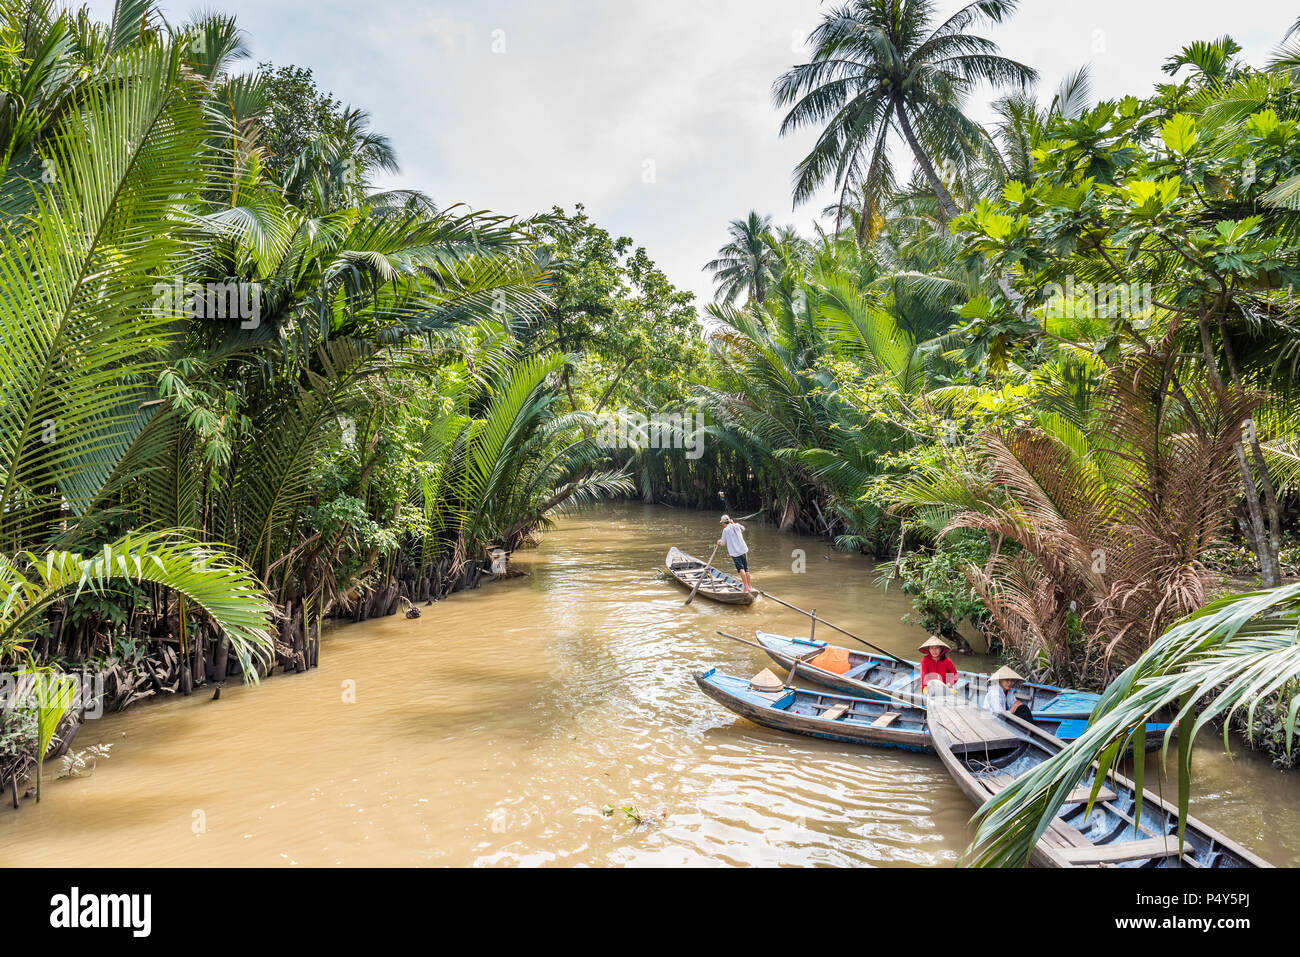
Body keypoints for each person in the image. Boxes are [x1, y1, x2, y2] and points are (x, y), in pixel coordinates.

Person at [717, 514, 752, 593]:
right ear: (729, 521)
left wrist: (719, 542)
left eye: (722, 523)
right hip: (743, 550)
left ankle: (746, 588)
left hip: (735, 552)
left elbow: (723, 543)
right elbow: (743, 528)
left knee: (741, 569)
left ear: (723, 523)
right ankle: (749, 586)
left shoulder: (725, 530)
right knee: (746, 569)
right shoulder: (736, 525)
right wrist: (734, 524)